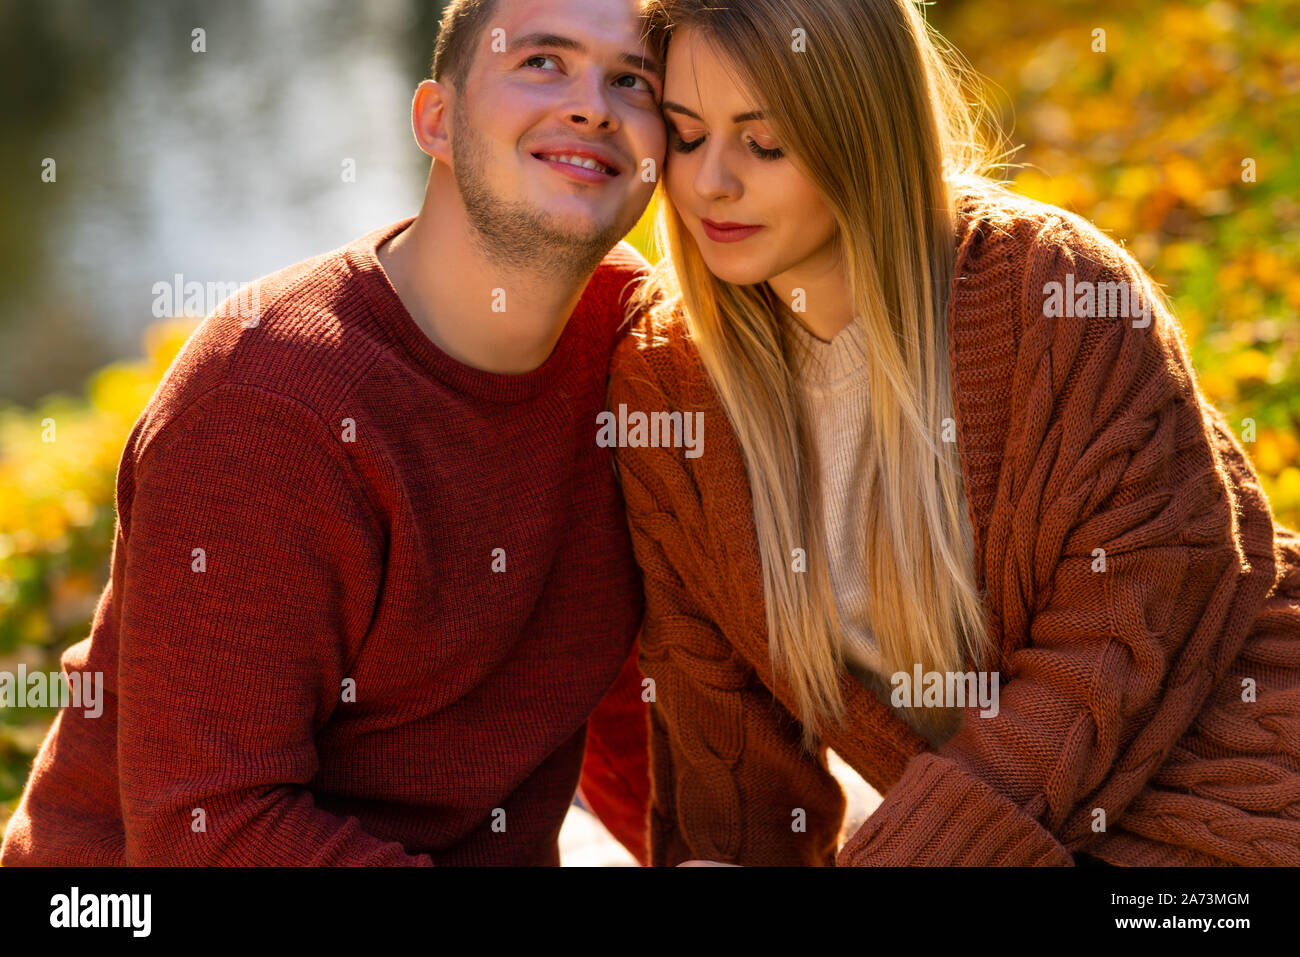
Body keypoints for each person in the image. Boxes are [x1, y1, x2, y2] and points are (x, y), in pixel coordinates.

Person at [602, 0, 1300, 865]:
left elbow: (1119, 634)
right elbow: (724, 730)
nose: (711, 182)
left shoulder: (1057, 292)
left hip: (1243, 795)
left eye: (765, 142)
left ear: (863, 128)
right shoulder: (669, 382)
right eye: (685, 134)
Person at [1, 0, 666, 866]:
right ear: (436, 118)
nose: (592, 105)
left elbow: (615, 689)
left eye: (631, 81)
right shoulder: (271, 403)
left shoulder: (624, 337)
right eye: (542, 61)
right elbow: (208, 828)